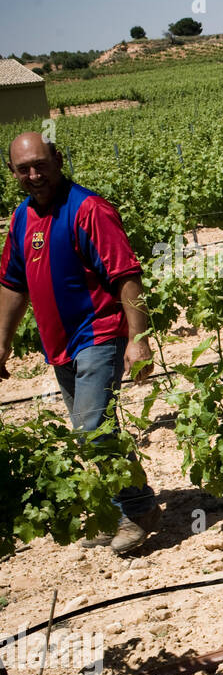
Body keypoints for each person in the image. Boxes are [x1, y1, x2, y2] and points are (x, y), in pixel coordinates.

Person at [0, 132, 160, 554]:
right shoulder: (22, 219)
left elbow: (127, 275)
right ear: (12, 172)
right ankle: (117, 506)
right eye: (23, 169)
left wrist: (139, 339)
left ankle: (139, 508)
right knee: (89, 433)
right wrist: (2, 342)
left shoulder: (88, 209)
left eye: (41, 164)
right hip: (60, 344)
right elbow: (13, 283)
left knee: (93, 429)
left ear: (57, 158)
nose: (34, 174)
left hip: (100, 334)